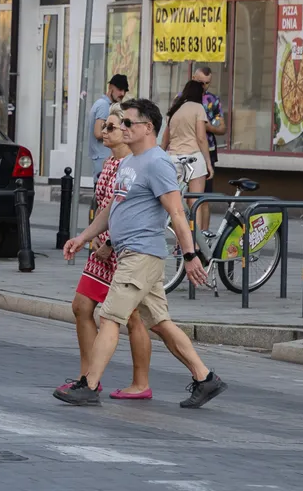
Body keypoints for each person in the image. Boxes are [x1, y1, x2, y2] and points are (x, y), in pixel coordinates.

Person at [58, 98, 228, 409]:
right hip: (128, 253)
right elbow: (114, 209)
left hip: (141, 255)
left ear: (147, 128)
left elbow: (177, 212)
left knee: (110, 316)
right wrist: (86, 238)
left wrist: (191, 256)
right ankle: (206, 378)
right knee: (160, 323)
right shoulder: (130, 162)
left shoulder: (157, 162)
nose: (121, 128)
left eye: (127, 123)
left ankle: (88, 384)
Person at [60, 105, 153, 399]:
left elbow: (129, 208)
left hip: (122, 250)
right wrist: (91, 238)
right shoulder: (111, 164)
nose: (105, 132)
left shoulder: (134, 165)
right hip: (101, 248)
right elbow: (104, 207)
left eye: (112, 127)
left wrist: (110, 242)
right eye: (107, 126)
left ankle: (141, 383)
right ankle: (87, 376)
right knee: (81, 306)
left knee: (133, 318)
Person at [161, 80, 213, 209]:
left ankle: (177, 228)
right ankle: (196, 229)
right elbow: (201, 138)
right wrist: (208, 162)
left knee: (174, 202)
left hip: (173, 159)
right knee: (195, 202)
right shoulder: (198, 108)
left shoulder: (174, 109)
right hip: (193, 158)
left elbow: (165, 140)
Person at [193, 67, 225, 229]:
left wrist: (205, 126)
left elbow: (222, 128)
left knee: (204, 197)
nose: (204, 86)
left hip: (208, 151)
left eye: (207, 83)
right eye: (200, 83)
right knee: (187, 197)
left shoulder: (213, 100)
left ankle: (204, 234)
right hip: (188, 151)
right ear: (193, 78)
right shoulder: (182, 98)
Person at [89, 74, 129, 179]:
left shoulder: (104, 104)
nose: (122, 93)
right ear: (110, 87)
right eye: (120, 89)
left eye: (124, 91)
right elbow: (98, 133)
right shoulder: (104, 105)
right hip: (103, 159)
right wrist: (117, 132)